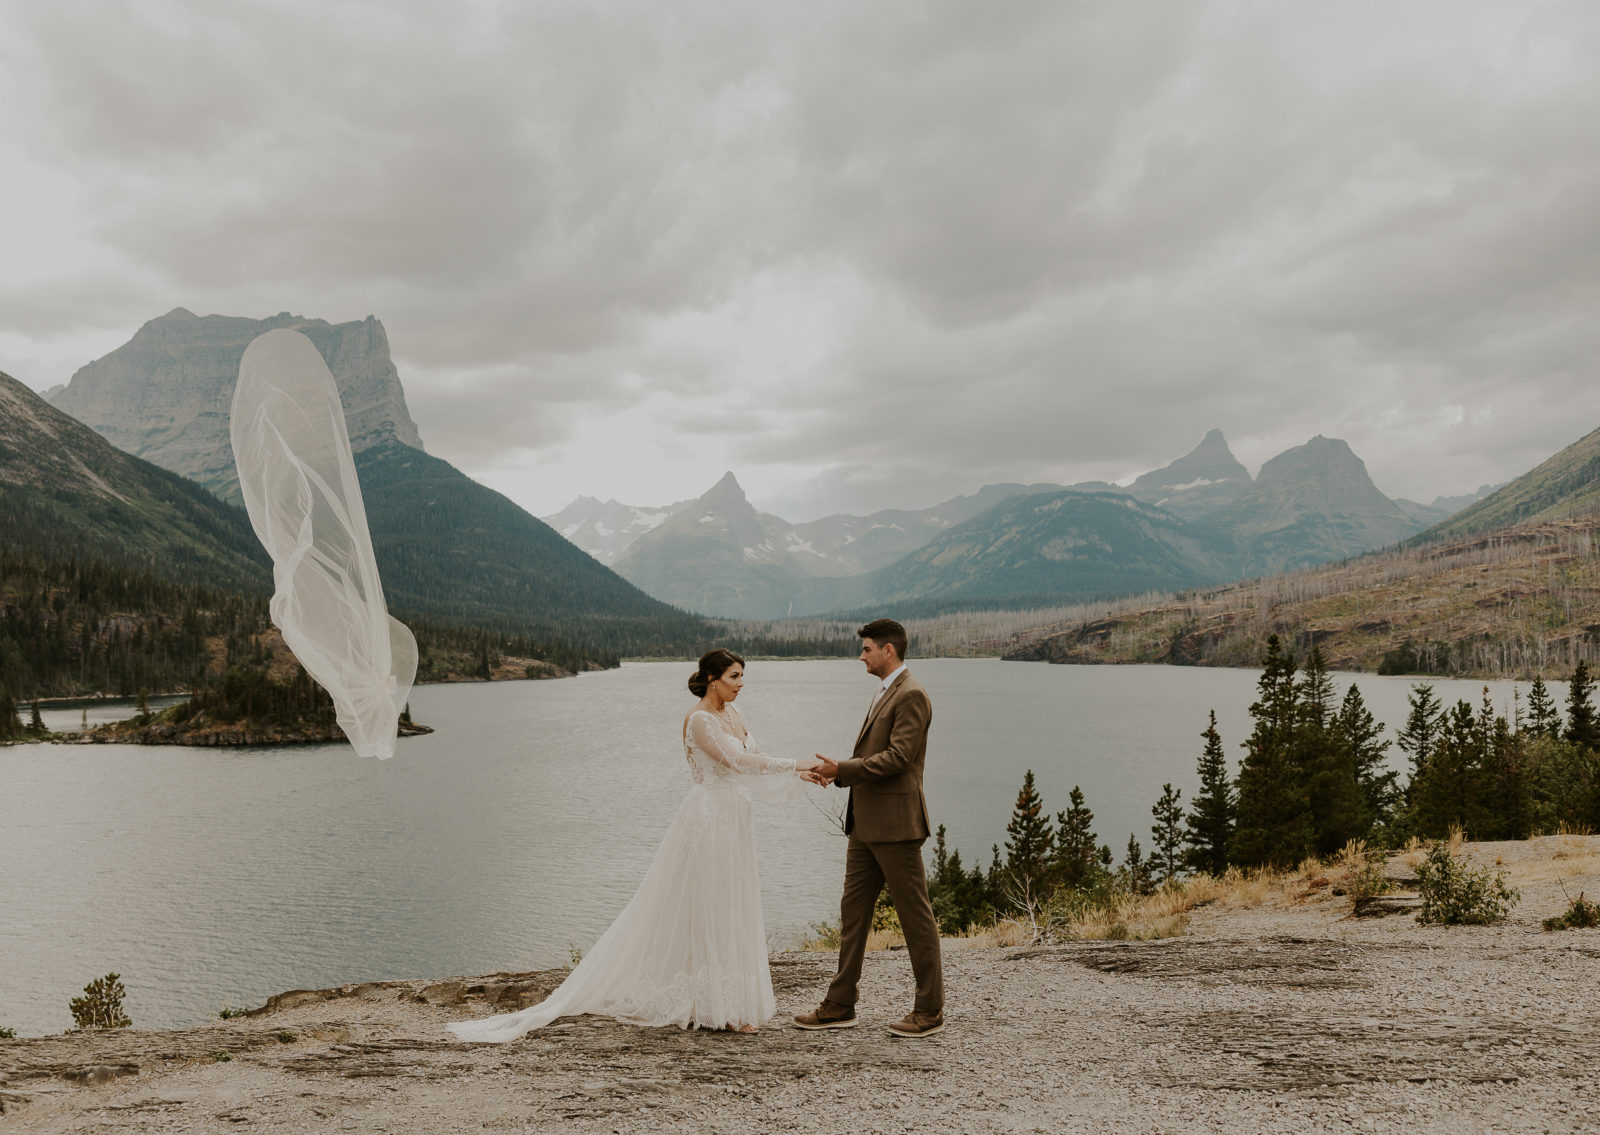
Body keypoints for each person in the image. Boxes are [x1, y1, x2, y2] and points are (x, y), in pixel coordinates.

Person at [448, 649, 820, 1042]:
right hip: (710, 820)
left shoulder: (735, 714)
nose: (741, 684)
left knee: (733, 902)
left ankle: (732, 1001)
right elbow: (737, 762)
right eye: (734, 676)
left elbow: (755, 757)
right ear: (712, 679)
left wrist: (800, 776)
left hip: (736, 820)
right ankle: (717, 1007)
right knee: (710, 904)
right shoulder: (700, 720)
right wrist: (799, 763)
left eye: (742, 676)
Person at [796, 618, 944, 1038]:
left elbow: (898, 758)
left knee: (915, 918)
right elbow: (876, 757)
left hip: (896, 826)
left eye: (866, 649)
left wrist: (842, 768)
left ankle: (929, 1010)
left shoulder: (912, 693)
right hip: (864, 825)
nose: (861, 656)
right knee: (853, 914)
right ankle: (840, 1003)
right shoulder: (886, 690)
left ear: (888, 650)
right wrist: (837, 775)